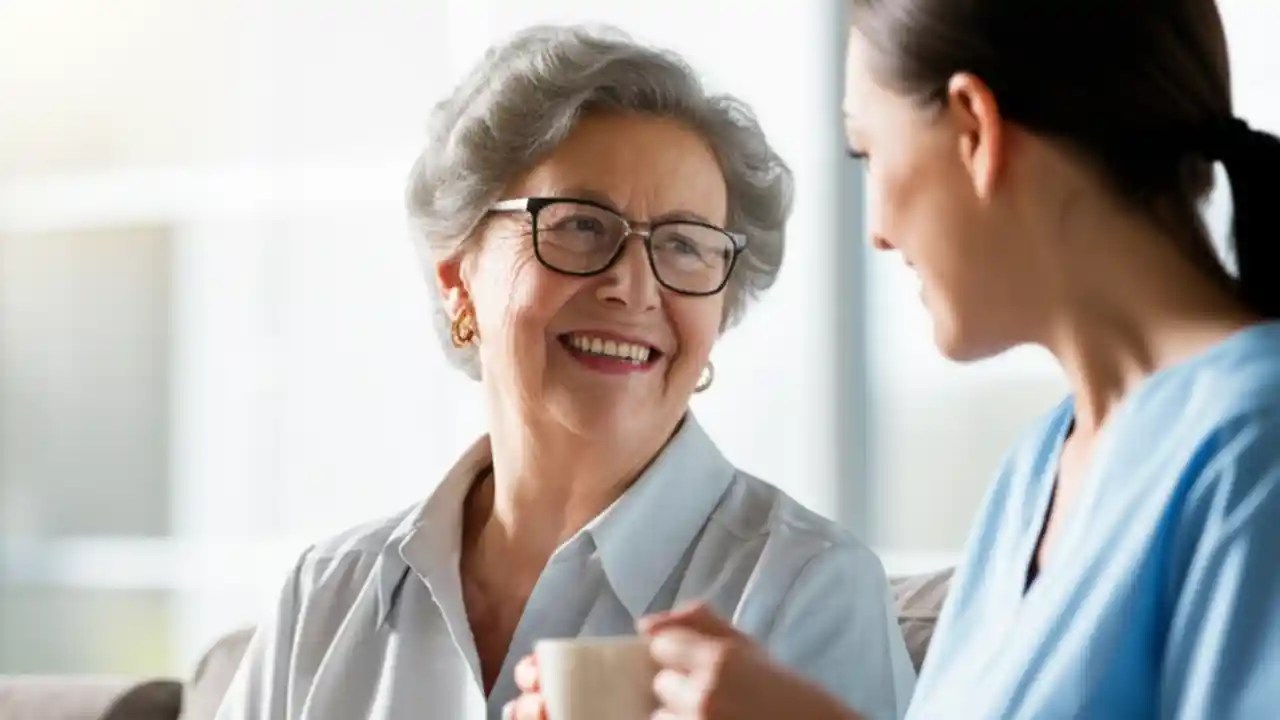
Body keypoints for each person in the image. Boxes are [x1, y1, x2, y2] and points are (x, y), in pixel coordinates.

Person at [507, 1, 1280, 718]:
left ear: (974, 127)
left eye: (866, 152)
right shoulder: (1036, 473)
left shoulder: (1255, 451)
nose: (875, 230)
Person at [215, 25, 915, 720]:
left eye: (682, 245)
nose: (633, 287)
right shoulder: (325, 597)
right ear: (459, 278)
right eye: (581, 225)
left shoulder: (808, 588)